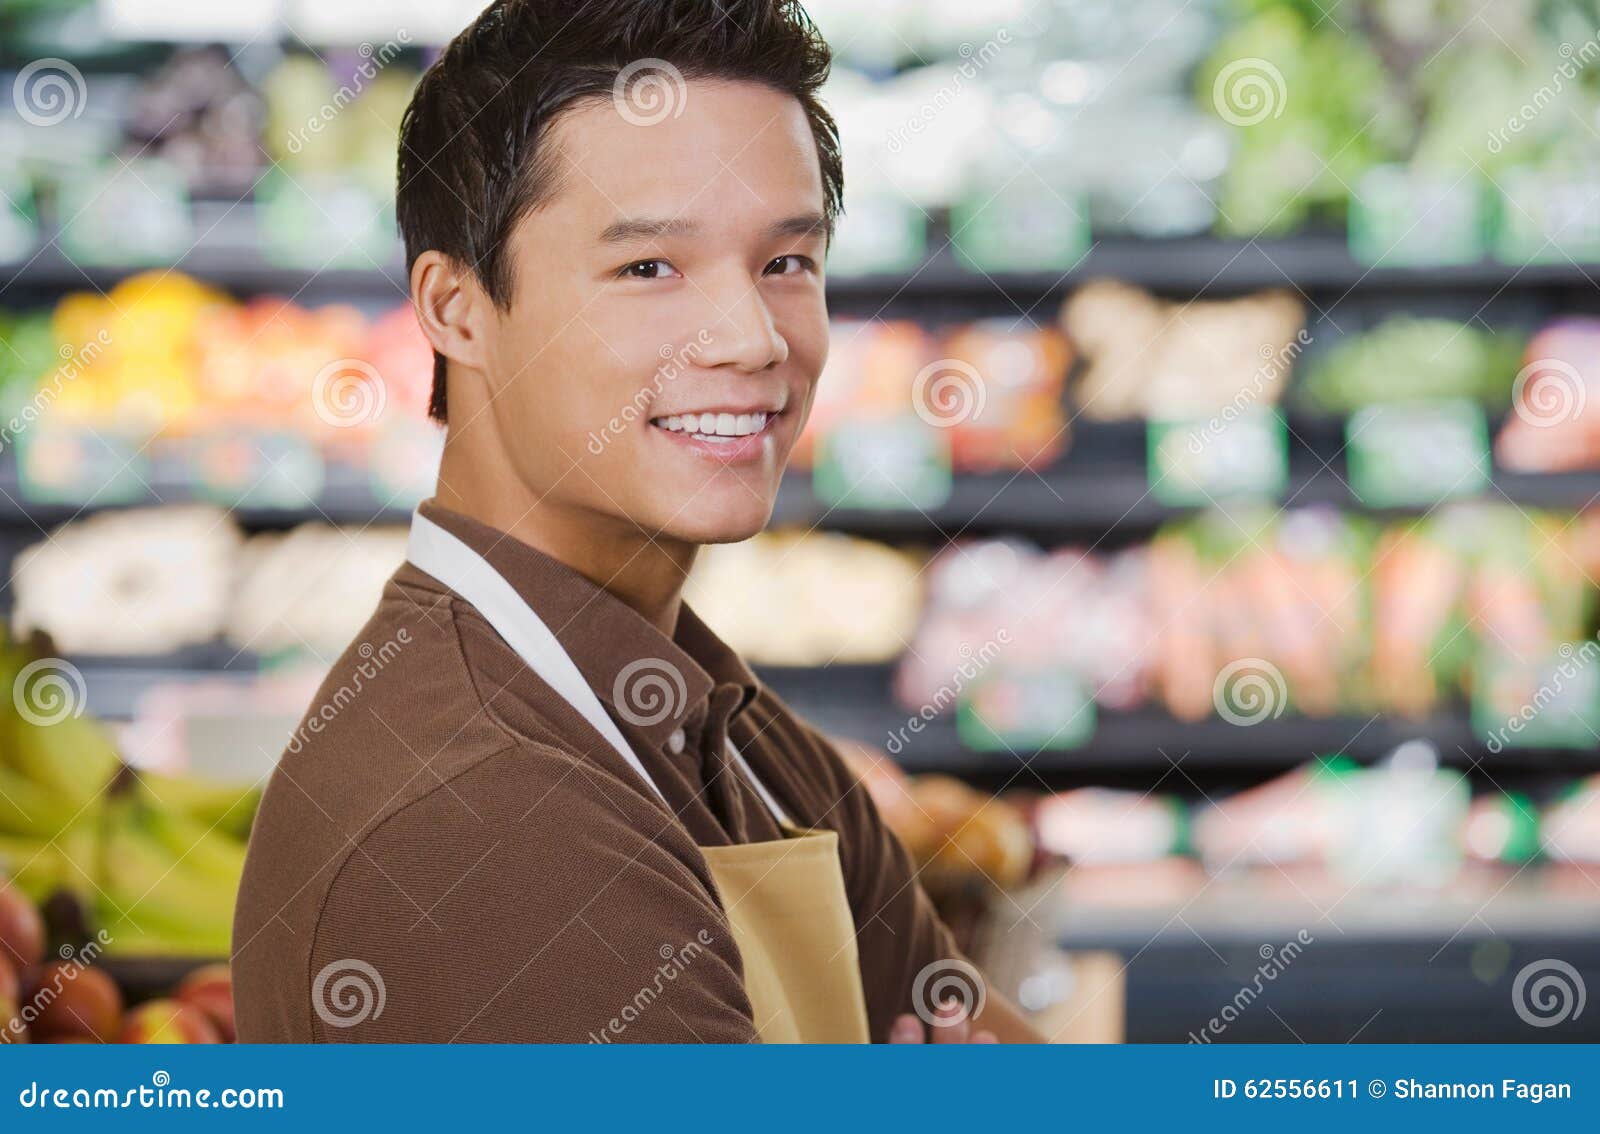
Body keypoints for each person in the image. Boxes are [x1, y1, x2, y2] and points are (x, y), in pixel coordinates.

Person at [233, 0, 1039, 1044]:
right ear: (455, 307)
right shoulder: (483, 831)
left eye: (786, 262)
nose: (751, 340)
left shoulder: (749, 745)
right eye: (649, 268)